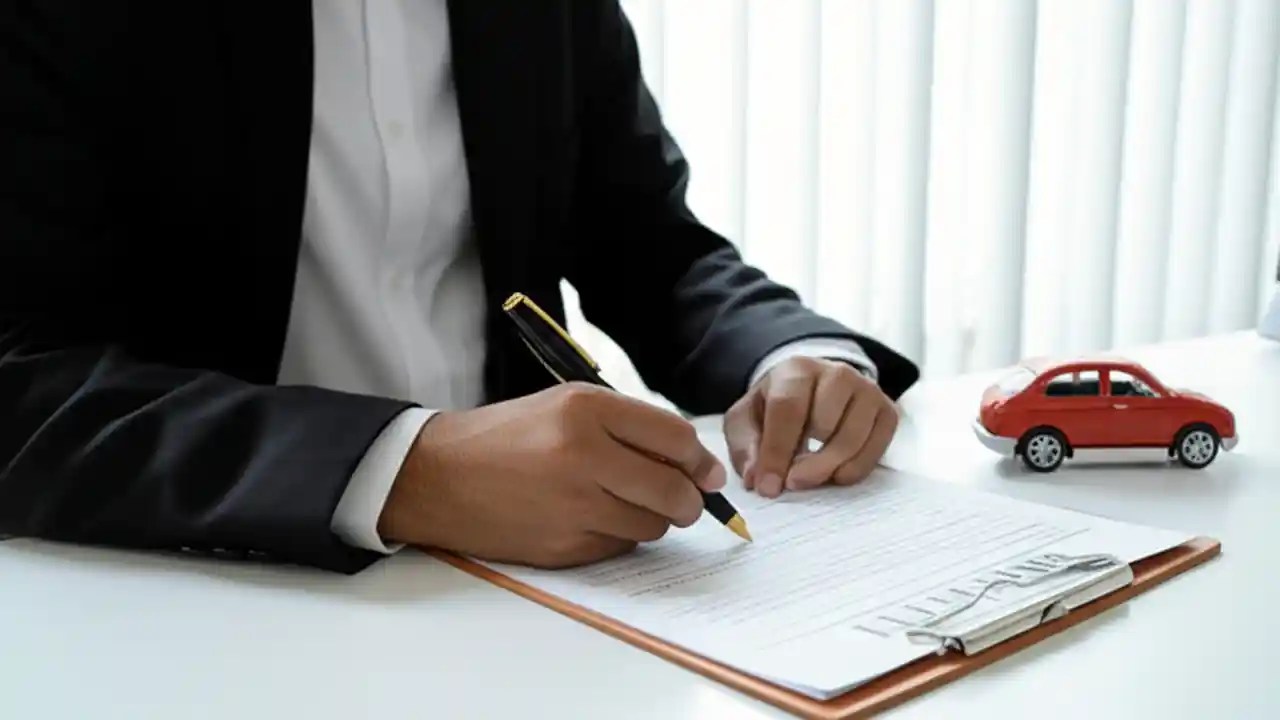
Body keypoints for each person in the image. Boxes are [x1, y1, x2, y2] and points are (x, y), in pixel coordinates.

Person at [0, 0, 918, 574]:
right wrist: (407, 468)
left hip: (547, 604)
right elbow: (22, 380)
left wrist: (792, 352)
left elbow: (652, 240)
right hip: (202, 596)